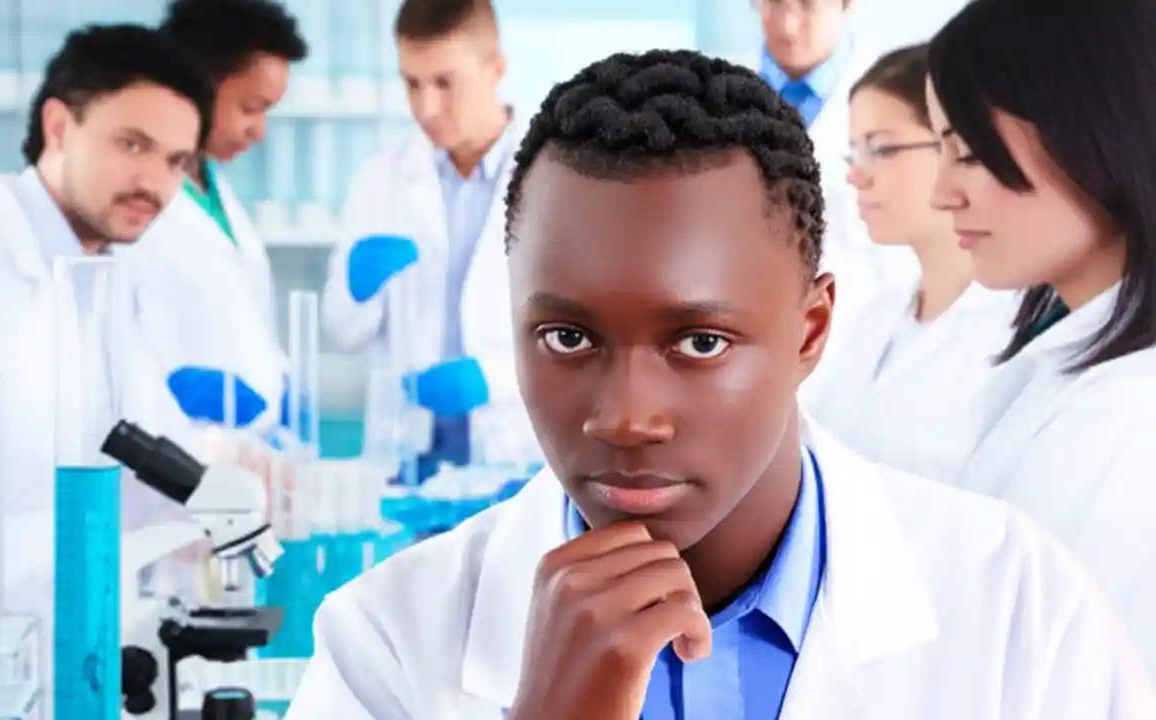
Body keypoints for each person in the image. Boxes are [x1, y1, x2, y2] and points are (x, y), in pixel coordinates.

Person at [284, 50, 1155, 719]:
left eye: (700, 341)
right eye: (566, 336)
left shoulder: (1020, 611)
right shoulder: (386, 643)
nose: (627, 418)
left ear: (810, 330)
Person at [0, 24, 212, 707]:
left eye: (177, 161)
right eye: (132, 144)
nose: (156, 182)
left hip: (68, 659)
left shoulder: (106, 282)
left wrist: (228, 470)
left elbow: (148, 470)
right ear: (60, 125)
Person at [927, 0, 1156, 671]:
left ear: (1097, 135)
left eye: (967, 152)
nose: (942, 193)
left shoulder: (1134, 417)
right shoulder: (1065, 358)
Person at [320, 0, 537, 481]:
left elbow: (587, 331)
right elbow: (342, 333)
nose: (425, 107)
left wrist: (494, 378)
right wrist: (357, 291)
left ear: (495, 69)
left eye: (445, 83)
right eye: (411, 83)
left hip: (514, 451)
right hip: (407, 459)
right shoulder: (382, 180)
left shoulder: (555, 177)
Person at [799, 44, 1017, 482]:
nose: (856, 175)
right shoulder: (876, 316)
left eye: (881, 150)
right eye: (855, 152)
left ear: (958, 146)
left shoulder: (1015, 333)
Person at [126, 0, 308, 432]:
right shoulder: (132, 200)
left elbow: (243, 322)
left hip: (245, 451)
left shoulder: (214, 189)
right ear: (196, 85)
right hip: (176, 452)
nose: (259, 131)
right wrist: (165, 393)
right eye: (250, 108)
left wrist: (280, 386)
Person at [734, 0, 917, 397]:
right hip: (742, 345)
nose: (787, 25)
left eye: (807, 6)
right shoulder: (719, 91)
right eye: (773, 5)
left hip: (855, 354)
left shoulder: (901, 96)